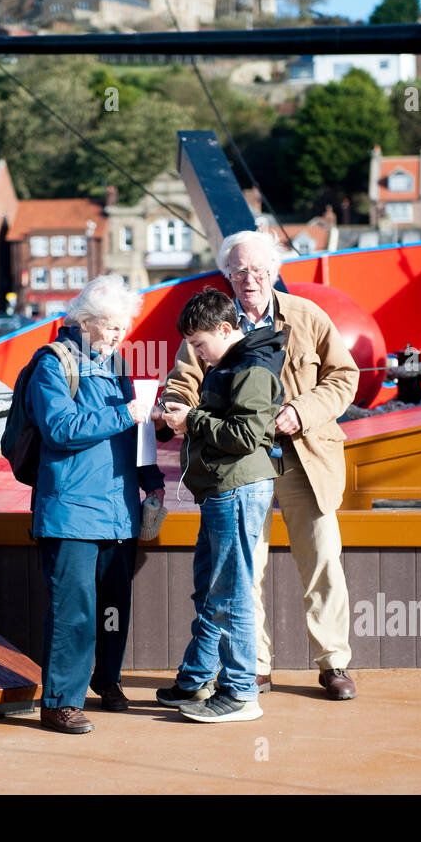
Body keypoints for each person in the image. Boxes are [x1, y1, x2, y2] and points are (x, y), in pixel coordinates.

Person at [159, 230, 360, 700]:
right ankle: (254, 665)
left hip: (306, 458)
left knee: (323, 560)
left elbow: (344, 377)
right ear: (227, 274)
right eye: (240, 270)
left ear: (275, 271)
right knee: (246, 568)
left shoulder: (307, 317)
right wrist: (173, 409)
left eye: (259, 270)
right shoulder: (215, 323)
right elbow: (181, 381)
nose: (250, 279)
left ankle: (334, 663)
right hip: (240, 464)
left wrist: (301, 411)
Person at [28, 275, 165, 734]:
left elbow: (136, 435)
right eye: (110, 326)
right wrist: (126, 412)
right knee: (74, 610)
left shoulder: (119, 364)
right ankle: (60, 701)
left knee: (113, 604)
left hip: (118, 507)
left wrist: (151, 481)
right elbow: (61, 429)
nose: (118, 335)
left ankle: (107, 680)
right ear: (84, 322)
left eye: (123, 326)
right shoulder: (52, 364)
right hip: (70, 510)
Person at [153, 288, 285, 723]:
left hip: (236, 490)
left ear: (225, 329)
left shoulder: (250, 367)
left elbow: (246, 436)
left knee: (229, 591)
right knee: (213, 587)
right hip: (224, 490)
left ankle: (241, 691)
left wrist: (189, 420)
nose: (197, 355)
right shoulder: (235, 363)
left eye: (199, 344)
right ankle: (196, 679)